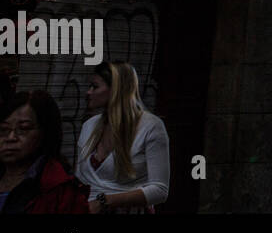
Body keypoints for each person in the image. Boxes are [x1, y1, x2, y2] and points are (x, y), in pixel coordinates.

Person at [77, 62, 169, 213]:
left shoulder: (151, 127)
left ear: (115, 90)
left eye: (95, 86)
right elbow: (80, 180)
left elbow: (159, 190)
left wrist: (104, 201)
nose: (88, 92)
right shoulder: (89, 126)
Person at [0, 89, 90, 214]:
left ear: (45, 133)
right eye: (4, 129)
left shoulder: (59, 190)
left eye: (24, 128)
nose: (11, 137)